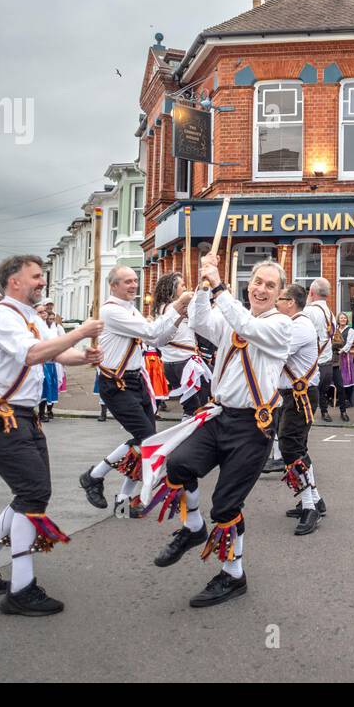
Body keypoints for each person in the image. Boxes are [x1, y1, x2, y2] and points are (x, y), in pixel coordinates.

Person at [0, 253, 103, 617]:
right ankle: (21, 589)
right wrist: (80, 331)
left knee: (28, 494)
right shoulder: (1, 316)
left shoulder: (30, 317)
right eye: (36, 276)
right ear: (13, 281)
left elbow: (58, 355)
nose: (42, 281)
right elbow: (32, 354)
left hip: (22, 419)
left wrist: (86, 356)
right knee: (34, 493)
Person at [150, 254, 291, 608]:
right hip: (219, 416)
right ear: (250, 283)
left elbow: (248, 328)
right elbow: (200, 320)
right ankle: (194, 527)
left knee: (226, 505)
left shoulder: (280, 326)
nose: (261, 289)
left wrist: (219, 286)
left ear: (279, 293)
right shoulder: (231, 316)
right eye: (257, 281)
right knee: (179, 464)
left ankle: (233, 576)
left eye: (270, 285)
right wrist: (202, 287)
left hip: (253, 427)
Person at [79, 266, 189, 516]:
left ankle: (123, 502)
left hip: (137, 381)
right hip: (116, 383)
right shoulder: (111, 310)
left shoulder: (131, 309)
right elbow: (151, 331)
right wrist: (177, 306)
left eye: (135, 281)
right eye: (127, 281)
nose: (133, 285)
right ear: (113, 285)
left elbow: (156, 340)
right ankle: (94, 475)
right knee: (148, 438)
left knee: (145, 444)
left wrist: (179, 315)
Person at [275, 283, 326, 534]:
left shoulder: (299, 326)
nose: (276, 302)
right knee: (298, 447)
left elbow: (276, 352)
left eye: (280, 298)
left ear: (291, 302)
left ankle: (310, 507)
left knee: (290, 446)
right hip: (293, 395)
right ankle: (315, 499)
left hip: (300, 396)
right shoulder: (293, 324)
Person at [153, 273, 212, 418]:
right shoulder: (175, 306)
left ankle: (194, 431)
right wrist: (207, 285)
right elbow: (200, 306)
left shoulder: (164, 308)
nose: (185, 288)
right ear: (173, 289)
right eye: (182, 285)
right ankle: (193, 434)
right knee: (198, 403)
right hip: (184, 362)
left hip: (172, 363)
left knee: (192, 404)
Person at [306, 278, 339, 423]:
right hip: (327, 362)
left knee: (308, 393)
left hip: (312, 362)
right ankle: (324, 412)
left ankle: (308, 416)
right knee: (323, 392)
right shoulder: (331, 314)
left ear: (311, 293)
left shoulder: (308, 311)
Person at [35, 302, 62, 422]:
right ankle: (39, 413)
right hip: (39, 362)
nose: (43, 314)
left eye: (44, 311)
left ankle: (45, 411)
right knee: (42, 387)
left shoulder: (51, 327)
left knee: (49, 387)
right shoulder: (33, 326)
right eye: (40, 312)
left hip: (51, 361)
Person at [335, 311, 354, 418]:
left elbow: (349, 343)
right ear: (338, 319)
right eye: (341, 318)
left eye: (344, 318)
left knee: (345, 378)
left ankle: (347, 400)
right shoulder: (336, 330)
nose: (343, 320)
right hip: (335, 357)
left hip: (344, 356)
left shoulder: (350, 330)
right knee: (337, 379)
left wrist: (341, 351)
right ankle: (338, 399)